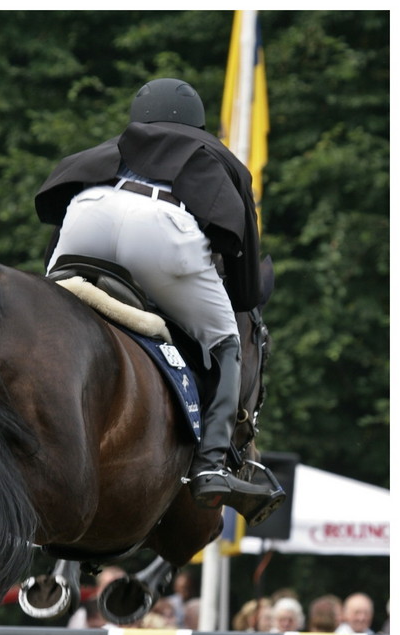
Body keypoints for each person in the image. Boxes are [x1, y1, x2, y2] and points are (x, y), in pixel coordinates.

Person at [35, 77, 285, 527]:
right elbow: (245, 286)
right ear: (197, 124)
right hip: (162, 227)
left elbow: (57, 241)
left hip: (88, 212)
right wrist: (240, 296)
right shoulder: (215, 154)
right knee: (228, 342)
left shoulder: (116, 145)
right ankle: (210, 464)